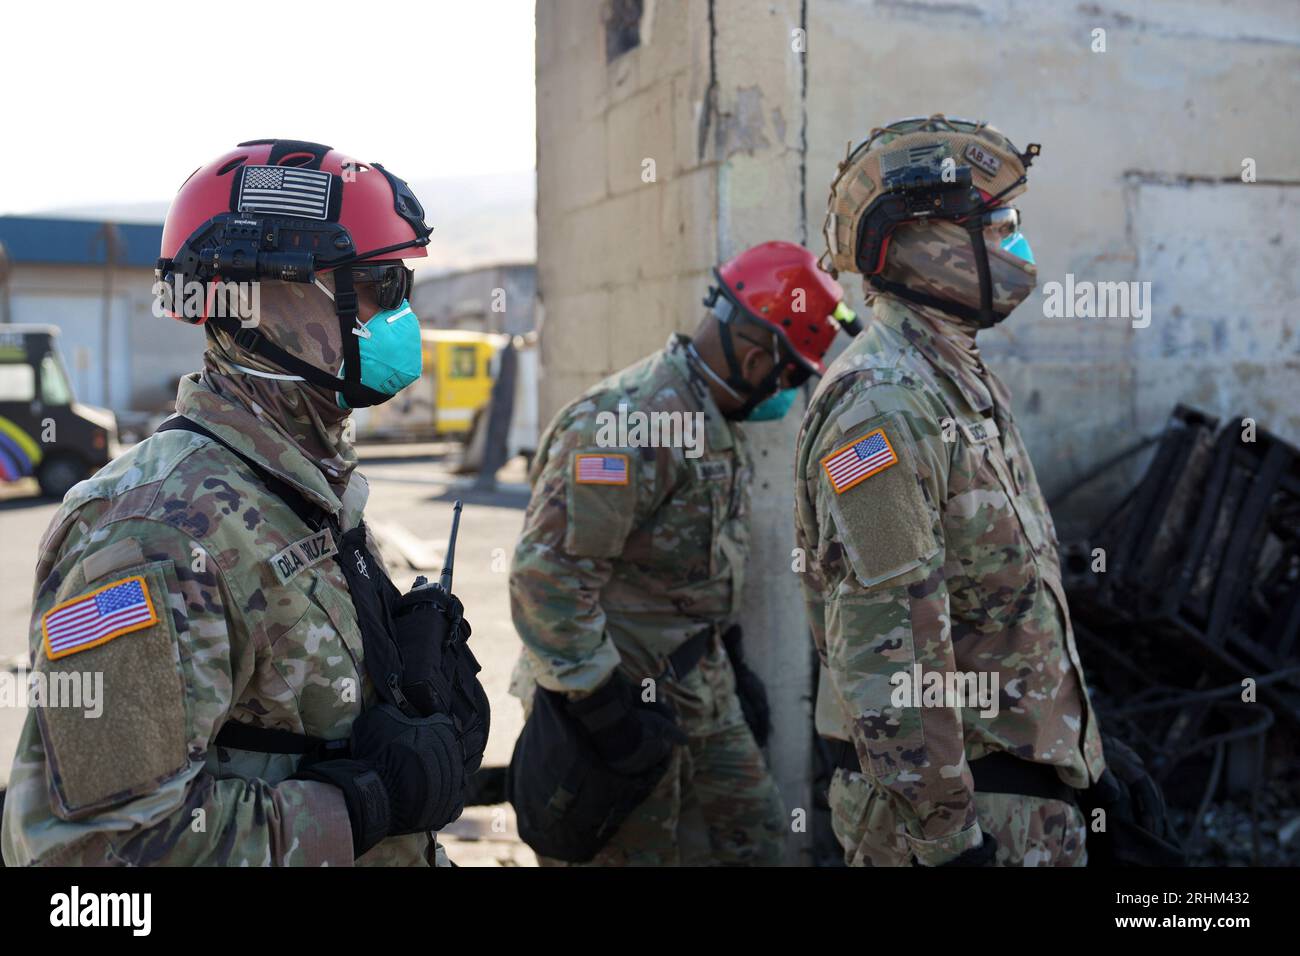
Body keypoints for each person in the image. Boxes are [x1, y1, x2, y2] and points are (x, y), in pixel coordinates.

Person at [1, 140, 486, 866]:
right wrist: (362, 806)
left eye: (402, 286)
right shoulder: (152, 532)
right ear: (264, 301)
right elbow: (96, 851)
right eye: (378, 284)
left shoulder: (303, 487)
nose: (400, 313)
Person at [795, 116, 1105, 866]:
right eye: (996, 227)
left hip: (1022, 801)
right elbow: (889, 648)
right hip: (962, 823)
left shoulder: (954, 380)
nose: (1014, 247)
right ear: (920, 243)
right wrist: (945, 841)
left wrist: (1086, 763)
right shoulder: (883, 408)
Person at [508, 241, 854, 865]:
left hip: (699, 684)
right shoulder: (629, 424)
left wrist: (726, 654)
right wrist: (603, 710)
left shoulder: (711, 414)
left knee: (759, 842)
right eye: (792, 376)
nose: (787, 393)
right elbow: (547, 581)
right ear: (758, 356)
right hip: (611, 699)